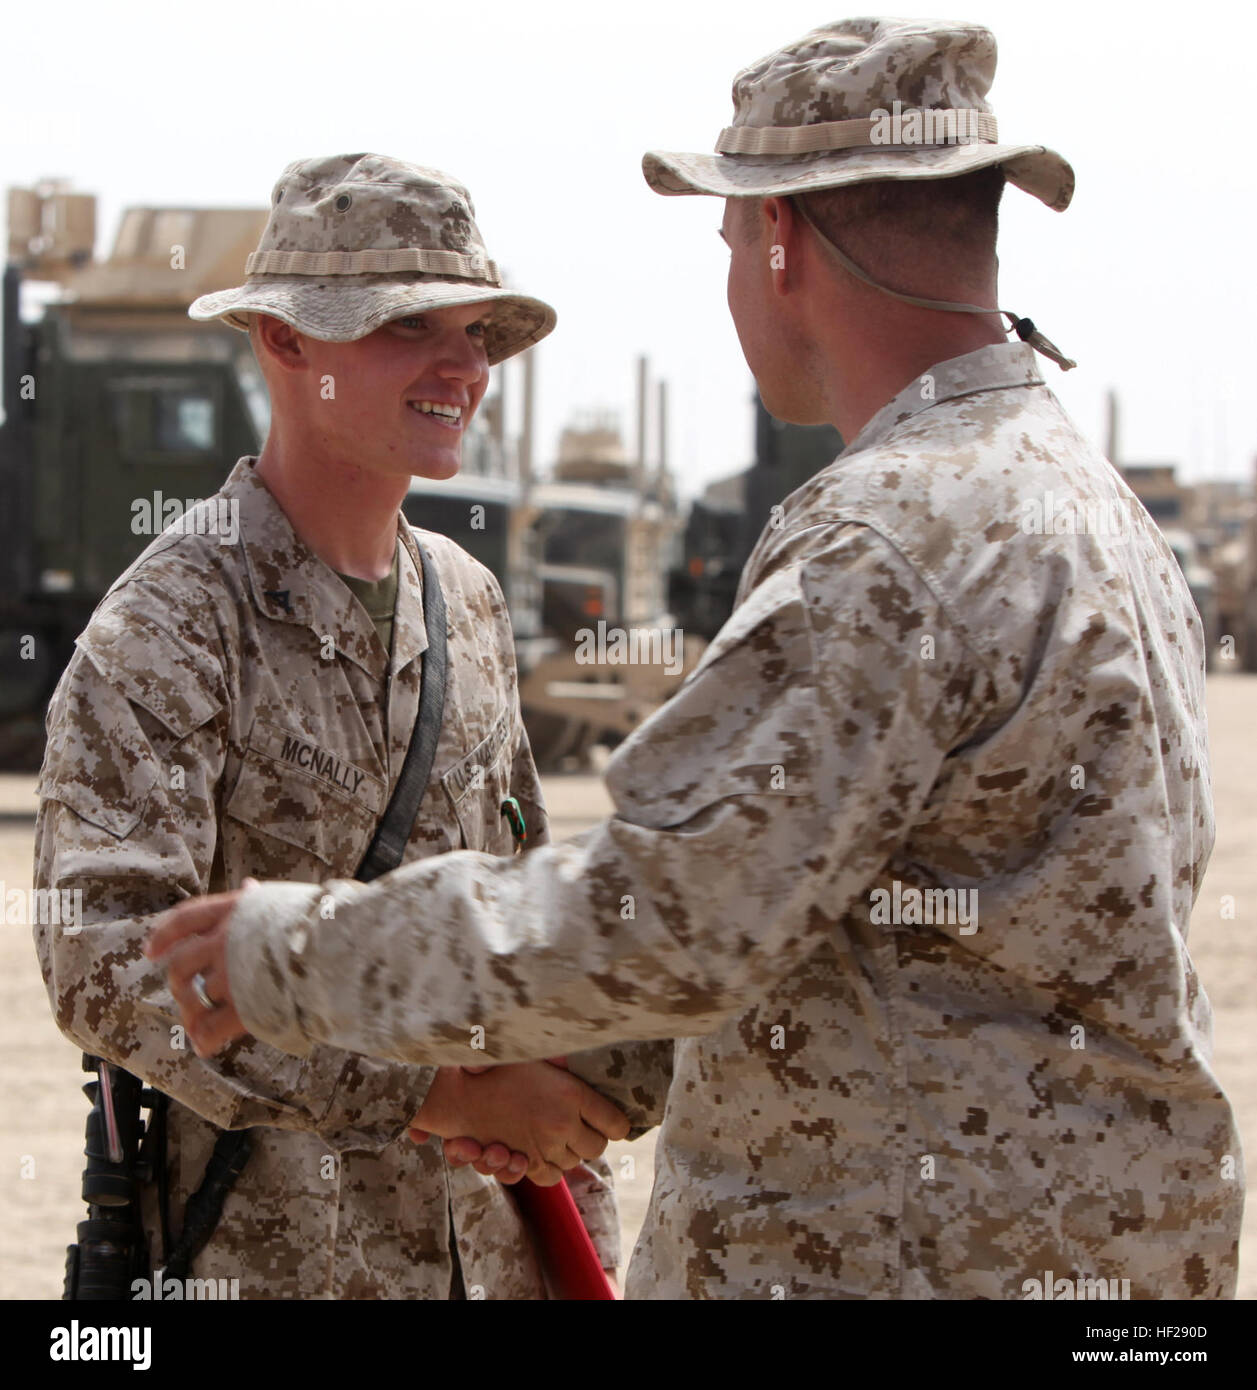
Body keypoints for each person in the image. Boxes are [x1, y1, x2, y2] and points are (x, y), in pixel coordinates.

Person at [149, 22, 1243, 1299]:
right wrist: (598, 1079)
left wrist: (291, 953)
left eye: (727, 237)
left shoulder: (884, 537)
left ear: (779, 240)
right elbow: (834, 909)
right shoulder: (1087, 504)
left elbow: (662, 911)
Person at [34, 152, 629, 1300]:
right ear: (285, 341)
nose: (463, 366)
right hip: (282, 1263)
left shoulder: (469, 600)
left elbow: (530, 925)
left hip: (495, 1258)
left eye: (480, 335)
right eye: (410, 327)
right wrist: (434, 1094)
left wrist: (578, 1226)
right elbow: (102, 961)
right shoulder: (172, 621)